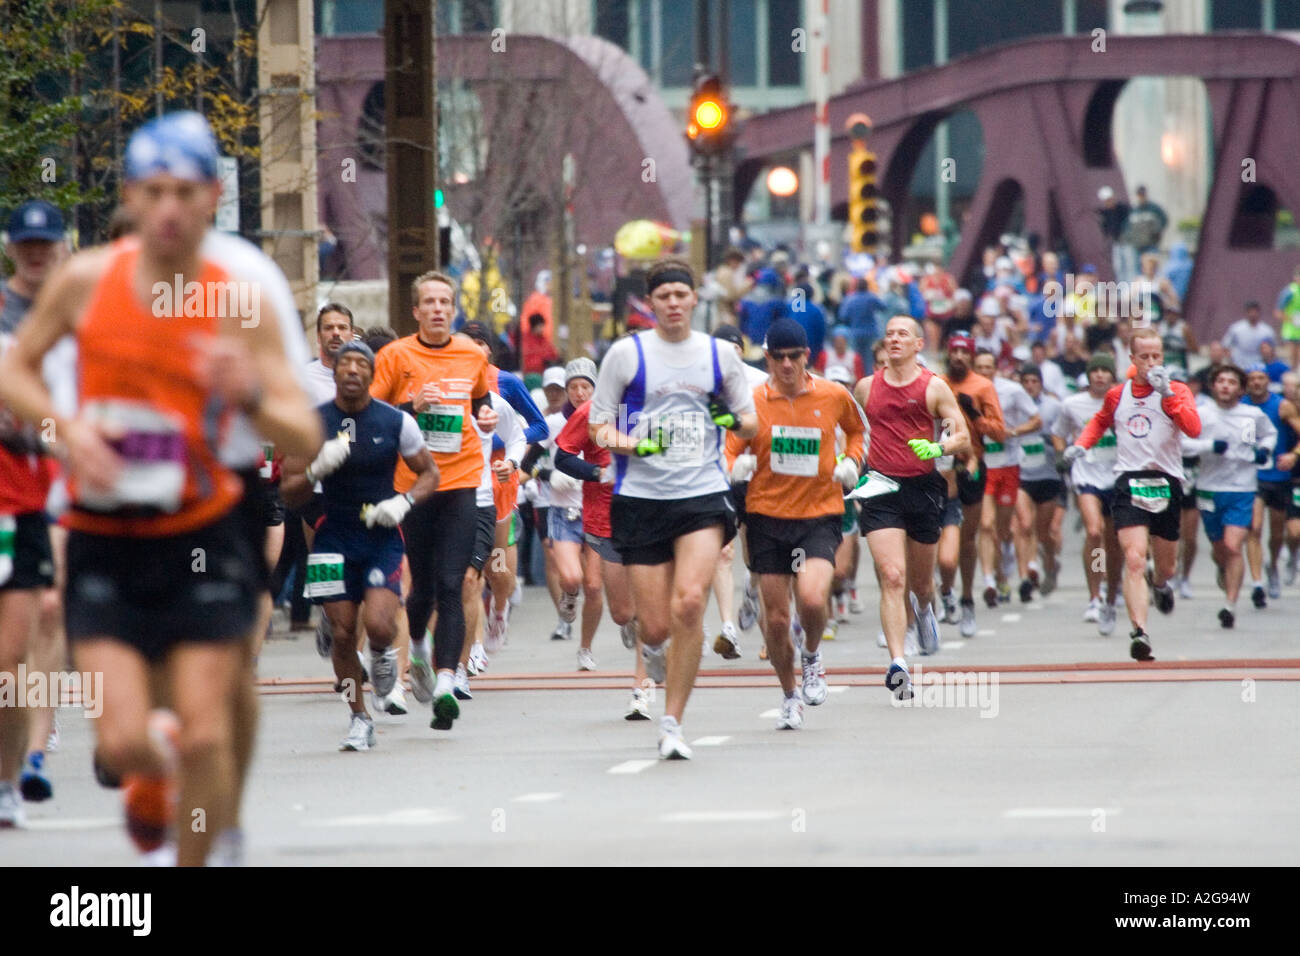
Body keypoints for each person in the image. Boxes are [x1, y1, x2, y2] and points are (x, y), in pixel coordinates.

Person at [0, 111, 322, 864]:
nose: (170, 208)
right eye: (154, 191)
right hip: (105, 531)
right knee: (118, 744)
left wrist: (248, 394)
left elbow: (302, 435)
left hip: (211, 518)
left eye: (185, 191)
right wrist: (67, 429)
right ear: (131, 198)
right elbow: (14, 367)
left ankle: (212, 841)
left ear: (212, 196)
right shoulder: (85, 282)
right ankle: (156, 780)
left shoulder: (243, 290)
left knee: (207, 721)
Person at [588, 258, 757, 760]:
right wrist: (632, 446)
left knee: (689, 603)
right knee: (655, 626)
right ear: (652, 303)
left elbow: (750, 424)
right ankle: (657, 652)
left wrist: (728, 417)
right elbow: (598, 428)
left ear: (694, 299)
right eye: (665, 296)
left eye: (682, 295)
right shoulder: (626, 354)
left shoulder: (718, 356)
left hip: (701, 495)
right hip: (641, 499)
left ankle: (672, 723)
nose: (675, 304)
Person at [280, 341, 436, 748]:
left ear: (371, 374)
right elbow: (288, 494)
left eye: (360, 364)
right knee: (342, 633)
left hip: (381, 535)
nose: (351, 369)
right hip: (332, 536)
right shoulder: (312, 423)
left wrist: (403, 503)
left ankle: (384, 654)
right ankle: (359, 716)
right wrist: (315, 469)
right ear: (333, 373)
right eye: (344, 363)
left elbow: (429, 475)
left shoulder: (395, 421)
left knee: (379, 626)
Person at [369, 270, 496, 732]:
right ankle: (418, 647)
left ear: (454, 309)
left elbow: (481, 399)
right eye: (430, 302)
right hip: (414, 484)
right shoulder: (395, 356)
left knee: (454, 583)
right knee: (420, 588)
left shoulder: (470, 353)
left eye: (446, 301)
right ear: (416, 311)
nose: (439, 309)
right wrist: (409, 409)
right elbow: (368, 418)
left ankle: (445, 682)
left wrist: (485, 415)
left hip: (461, 478)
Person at [725, 319, 866, 729]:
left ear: (808, 357)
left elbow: (858, 433)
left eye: (795, 357)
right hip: (767, 516)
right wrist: (737, 467)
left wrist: (852, 463)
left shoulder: (833, 394)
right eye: (778, 358)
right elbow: (729, 448)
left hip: (818, 514)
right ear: (766, 358)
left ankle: (812, 654)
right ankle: (789, 694)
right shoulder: (751, 401)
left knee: (810, 598)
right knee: (776, 619)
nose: (786, 365)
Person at [1064, 329, 1201, 660]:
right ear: (1133, 359)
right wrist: (1080, 446)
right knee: (1135, 558)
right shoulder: (1117, 395)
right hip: (1129, 480)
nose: (1152, 362)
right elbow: (1099, 421)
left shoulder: (1177, 390)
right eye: (1145, 357)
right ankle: (1140, 632)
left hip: (1166, 480)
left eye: (1157, 356)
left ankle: (1162, 584)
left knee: (1166, 564)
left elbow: (1193, 428)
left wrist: (1168, 395)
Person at [853, 316, 970, 699]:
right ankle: (899, 663)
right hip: (880, 486)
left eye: (902, 334)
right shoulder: (867, 388)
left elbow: (961, 432)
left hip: (923, 488)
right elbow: (854, 434)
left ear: (919, 344)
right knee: (891, 575)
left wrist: (939, 448)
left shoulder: (933, 387)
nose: (894, 339)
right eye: (889, 334)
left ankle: (924, 609)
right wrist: (848, 465)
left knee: (921, 583)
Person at [553, 362, 646, 718]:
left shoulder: (659, 407)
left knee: (649, 606)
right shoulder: (594, 411)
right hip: (604, 519)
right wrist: (596, 472)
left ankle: (641, 690)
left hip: (651, 516)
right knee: (623, 612)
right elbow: (562, 456)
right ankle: (640, 625)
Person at [1183, 364, 1275, 626]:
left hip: (1242, 489)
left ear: (1240, 389)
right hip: (1209, 488)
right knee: (1220, 549)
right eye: (1221, 381)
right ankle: (1223, 566)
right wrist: (1209, 446)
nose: (1225, 386)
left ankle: (1229, 605)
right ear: (1213, 386)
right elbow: (1182, 444)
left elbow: (1270, 434)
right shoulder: (1201, 414)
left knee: (1234, 546)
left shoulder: (1252, 415)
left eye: (1231, 382)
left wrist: (1264, 450)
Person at [1052, 354, 1122, 633]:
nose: (1100, 376)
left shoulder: (1122, 402)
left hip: (1117, 476)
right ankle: (1094, 597)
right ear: (1089, 375)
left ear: (1112, 376)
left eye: (1106, 370)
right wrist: (1061, 453)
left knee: (1114, 541)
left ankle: (1112, 595)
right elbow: (1058, 433)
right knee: (1094, 532)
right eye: (1096, 371)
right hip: (1086, 475)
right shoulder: (1072, 404)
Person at [710, 324, 768, 659]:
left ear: (741, 349)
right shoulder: (703, 382)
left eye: (732, 348)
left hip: (754, 476)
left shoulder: (758, 381)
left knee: (756, 557)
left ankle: (752, 591)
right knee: (724, 552)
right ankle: (728, 628)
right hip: (716, 478)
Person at [942, 332, 1006, 638]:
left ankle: (967, 598)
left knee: (967, 539)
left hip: (972, 467)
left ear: (971, 356)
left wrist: (974, 414)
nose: (958, 357)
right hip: (940, 466)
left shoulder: (982, 386)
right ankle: (944, 594)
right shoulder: (936, 384)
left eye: (963, 352)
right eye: (953, 351)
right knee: (934, 538)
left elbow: (999, 433)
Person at [971, 350, 1040, 605]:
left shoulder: (1012, 390)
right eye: (979, 366)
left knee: (1002, 530)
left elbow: (1036, 420)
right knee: (986, 525)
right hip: (983, 465)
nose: (984, 371)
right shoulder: (966, 390)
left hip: (1009, 465)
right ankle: (989, 579)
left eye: (988, 366)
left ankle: (1003, 571)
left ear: (996, 368)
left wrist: (1012, 432)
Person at [1242, 363, 1300, 602]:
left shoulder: (1282, 406)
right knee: (1253, 528)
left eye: (1261, 378)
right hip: (1251, 477)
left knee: (1277, 534)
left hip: (1278, 477)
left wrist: (1293, 455)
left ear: (1268, 381)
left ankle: (1273, 566)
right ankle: (1257, 584)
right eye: (1252, 378)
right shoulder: (1240, 406)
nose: (1256, 382)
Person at [1013, 363, 1066, 598]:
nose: (1030, 386)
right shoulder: (1014, 406)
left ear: (1041, 384)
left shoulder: (1054, 407)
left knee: (1044, 532)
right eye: (1026, 382)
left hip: (1048, 474)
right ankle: (1026, 574)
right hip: (1022, 475)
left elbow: (1063, 434)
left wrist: (1058, 449)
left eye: (1035, 381)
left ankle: (1050, 564)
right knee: (1024, 525)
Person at [1223, 301, 1276, 370]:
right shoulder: (1236, 328)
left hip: (1259, 365)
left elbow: (1273, 348)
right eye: (1250, 312)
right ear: (1246, 313)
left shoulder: (1267, 331)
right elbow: (1226, 345)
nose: (1253, 314)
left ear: (1259, 312)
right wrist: (1231, 361)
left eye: (1255, 312)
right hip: (1239, 364)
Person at [1096, 186, 1134, 281]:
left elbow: (1129, 224)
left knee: (1129, 265)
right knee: (1118, 266)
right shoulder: (1106, 213)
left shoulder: (1123, 208)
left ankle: (1130, 287)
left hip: (1127, 241)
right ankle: (1122, 287)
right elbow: (1106, 229)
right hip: (1116, 242)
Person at [1274, 264, 1300, 369]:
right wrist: (1293, 320)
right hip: (1291, 333)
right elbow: (1278, 312)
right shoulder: (1289, 292)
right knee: (1293, 362)